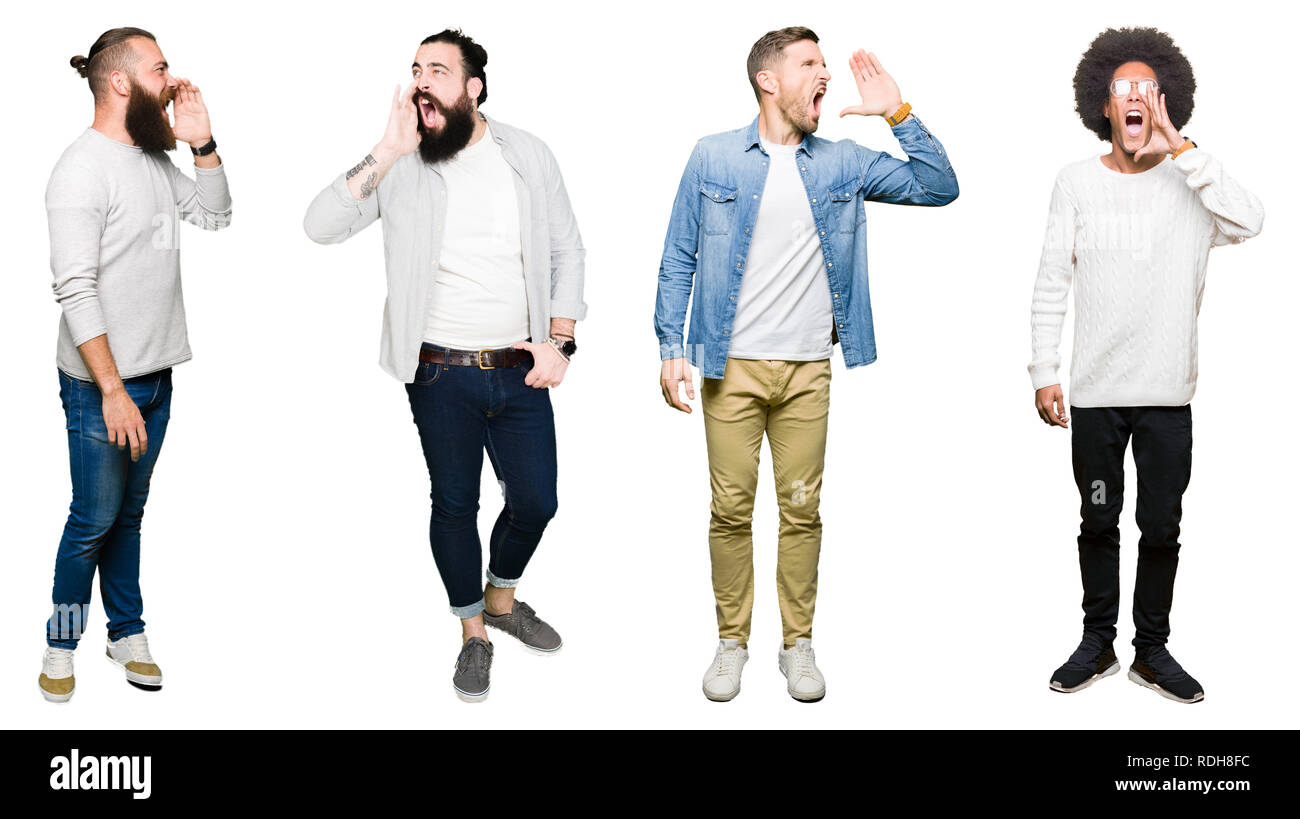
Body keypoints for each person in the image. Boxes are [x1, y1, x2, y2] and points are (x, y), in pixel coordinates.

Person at [655, 26, 958, 703]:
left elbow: (939, 187)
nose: (826, 73)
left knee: (801, 510)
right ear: (769, 80)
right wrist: (670, 346)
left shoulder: (844, 161)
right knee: (730, 511)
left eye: (826, 64)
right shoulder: (713, 158)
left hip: (805, 374)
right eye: (810, 64)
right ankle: (732, 642)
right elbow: (679, 257)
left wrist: (899, 115)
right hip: (726, 370)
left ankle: (798, 644)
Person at [304, 29, 585, 703]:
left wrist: (561, 341)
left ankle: (502, 597)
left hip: (519, 367)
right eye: (415, 70)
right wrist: (386, 147)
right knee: (454, 503)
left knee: (537, 500)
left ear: (473, 88)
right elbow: (319, 224)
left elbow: (567, 248)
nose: (422, 81)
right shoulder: (400, 160)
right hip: (438, 371)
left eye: (438, 70)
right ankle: (473, 634)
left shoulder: (526, 153)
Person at [1031, 27, 1263, 704]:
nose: (1133, 98)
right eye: (1121, 89)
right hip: (1096, 396)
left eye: (1147, 91)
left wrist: (1183, 150)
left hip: (1168, 397)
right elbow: (1050, 281)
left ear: (1166, 101)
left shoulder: (1193, 182)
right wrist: (1044, 369)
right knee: (1097, 519)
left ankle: (1151, 650)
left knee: (1161, 526)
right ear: (1102, 104)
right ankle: (1097, 641)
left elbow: (1252, 221)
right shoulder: (1073, 183)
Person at [41, 27, 231, 702]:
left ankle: (126, 630)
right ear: (120, 82)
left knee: (129, 514)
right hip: (101, 389)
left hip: (156, 377)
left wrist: (201, 139)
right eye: (160, 69)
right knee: (92, 517)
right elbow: (75, 288)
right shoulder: (81, 170)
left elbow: (215, 214)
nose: (173, 80)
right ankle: (61, 640)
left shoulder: (152, 159)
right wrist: (113, 390)